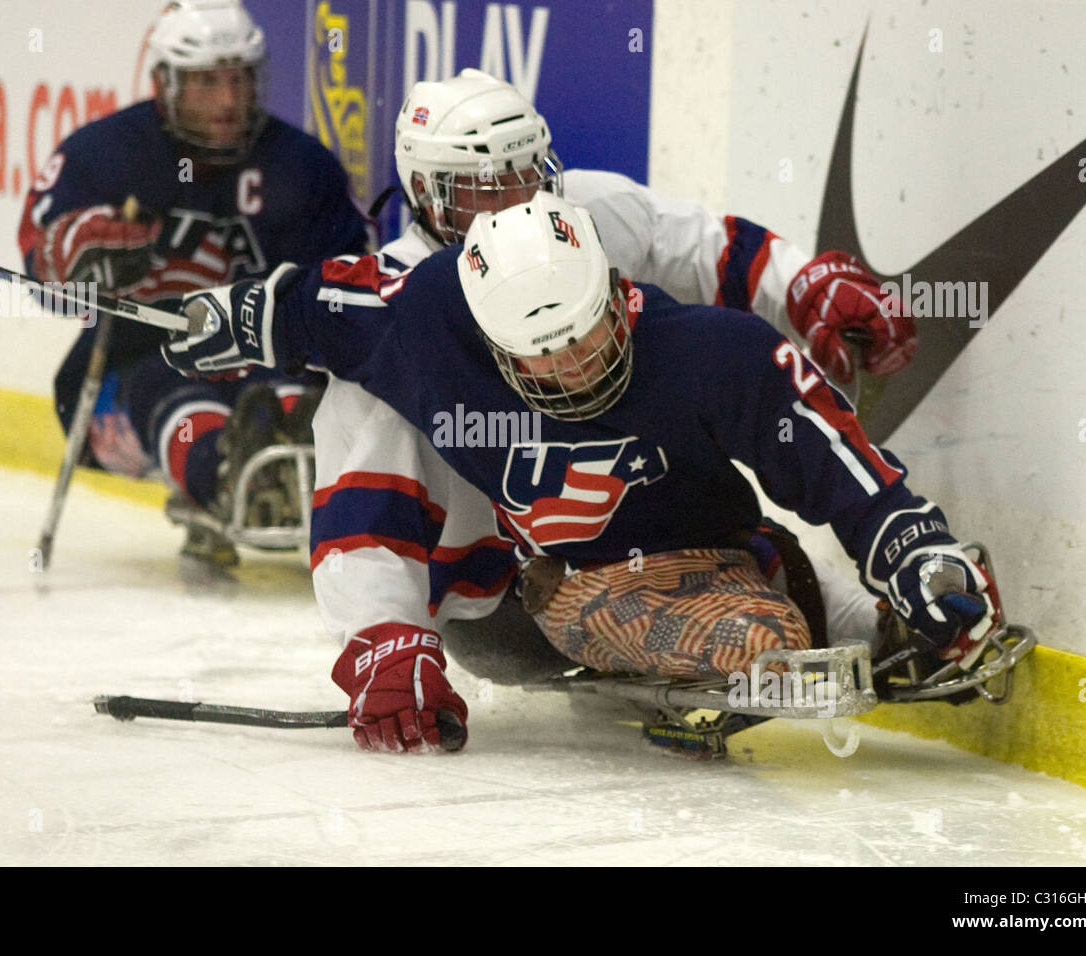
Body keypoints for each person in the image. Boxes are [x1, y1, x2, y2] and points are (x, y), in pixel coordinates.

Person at [159, 192, 997, 755]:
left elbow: (845, 470)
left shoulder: (718, 352)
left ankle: (856, 614)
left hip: (720, 553)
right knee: (363, 398)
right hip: (536, 588)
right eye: (542, 349)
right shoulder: (425, 320)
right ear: (488, 336)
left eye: (587, 330)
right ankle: (398, 640)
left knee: (771, 607)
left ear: (611, 287)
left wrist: (919, 554)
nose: (573, 362)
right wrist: (239, 311)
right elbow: (312, 307)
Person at [306, 71, 914, 691]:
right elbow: (361, 487)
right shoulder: (399, 309)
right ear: (427, 197)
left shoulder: (583, 216)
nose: (516, 200)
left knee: (700, 466)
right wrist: (381, 638)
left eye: (526, 170)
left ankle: (838, 610)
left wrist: (803, 287)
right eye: (482, 189)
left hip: (631, 532)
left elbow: (701, 247)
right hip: (498, 595)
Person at [17, 0, 369, 564]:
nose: (229, 102)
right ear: (166, 83)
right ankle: (225, 474)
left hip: (265, 358)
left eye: (239, 81)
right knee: (167, 386)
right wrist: (74, 252)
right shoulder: (106, 155)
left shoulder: (300, 166)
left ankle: (300, 464)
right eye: (207, 83)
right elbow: (42, 269)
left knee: (294, 384)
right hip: (134, 367)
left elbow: (355, 288)